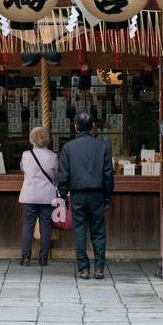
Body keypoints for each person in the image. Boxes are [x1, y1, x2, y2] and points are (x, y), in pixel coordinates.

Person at [57, 110, 114, 280]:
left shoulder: (68, 148)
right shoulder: (103, 146)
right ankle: (99, 268)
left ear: (75, 127)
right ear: (93, 127)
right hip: (97, 194)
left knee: (80, 230)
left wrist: (62, 194)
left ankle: (83, 269)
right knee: (98, 232)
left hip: (77, 194)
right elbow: (108, 174)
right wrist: (107, 196)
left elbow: (63, 175)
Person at [19, 126, 59, 267]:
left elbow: (23, 169)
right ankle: (43, 258)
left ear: (32, 139)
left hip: (29, 195)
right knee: (46, 226)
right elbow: (55, 177)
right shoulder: (53, 156)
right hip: (47, 196)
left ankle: (25, 258)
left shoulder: (26, 155)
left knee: (28, 226)